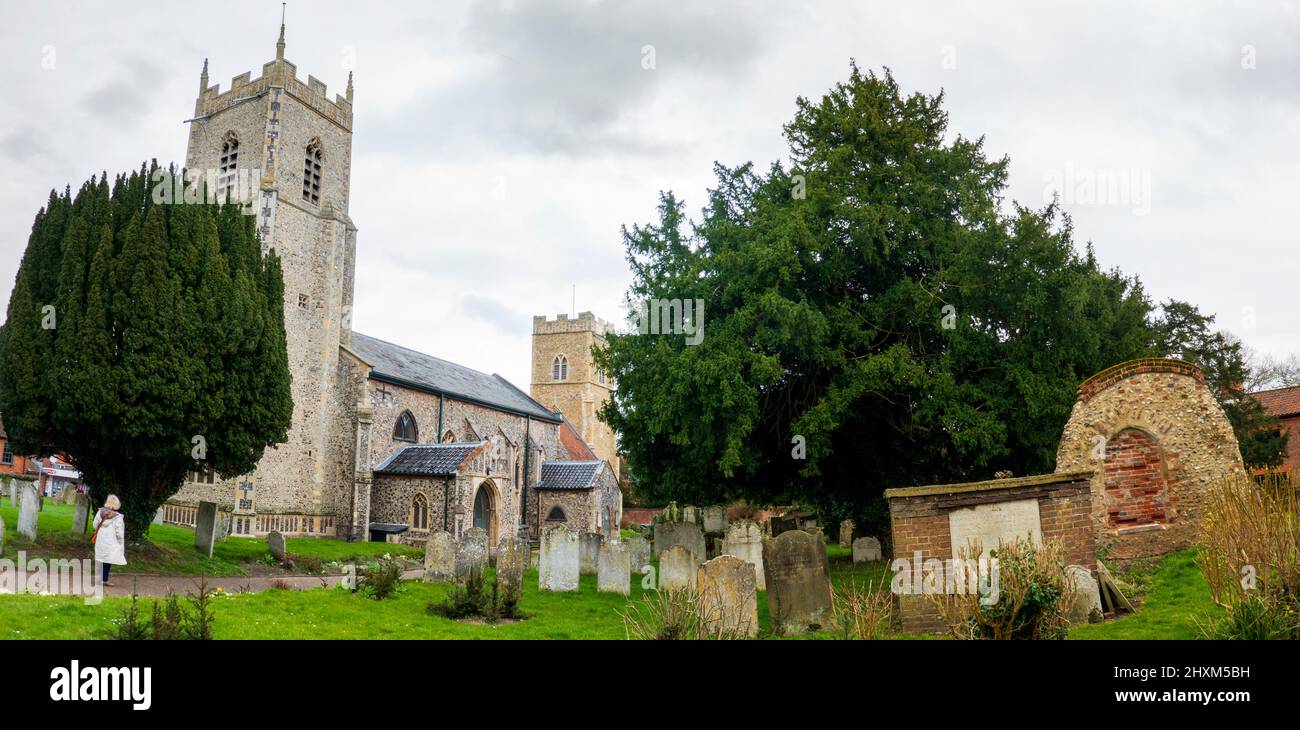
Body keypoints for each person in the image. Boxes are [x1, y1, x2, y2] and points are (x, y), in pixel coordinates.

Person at [92, 494, 127, 587]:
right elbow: (119, 533)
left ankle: (100, 579)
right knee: (107, 560)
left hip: (100, 539)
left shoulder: (100, 512)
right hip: (111, 541)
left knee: (100, 558)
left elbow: (95, 525)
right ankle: (104, 580)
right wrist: (120, 542)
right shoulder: (117, 517)